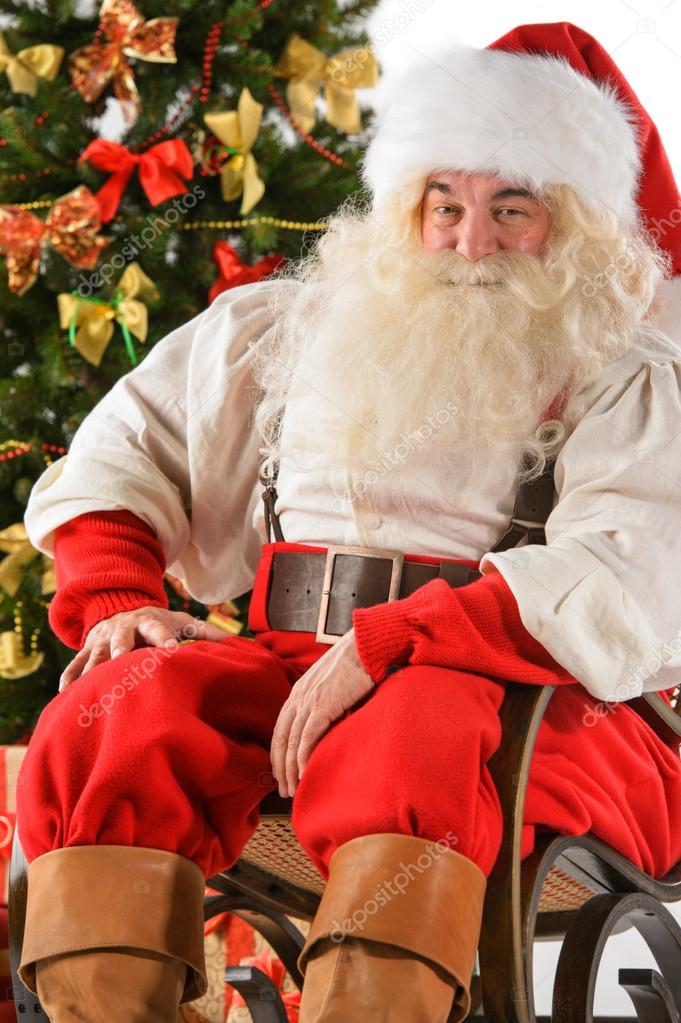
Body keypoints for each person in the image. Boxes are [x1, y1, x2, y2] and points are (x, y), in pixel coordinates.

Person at [14, 19, 681, 1023]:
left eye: (512, 210)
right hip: (289, 673)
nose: (469, 241)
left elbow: (632, 571)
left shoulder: (624, 374)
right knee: (120, 715)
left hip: (534, 701)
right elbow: (126, 454)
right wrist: (117, 597)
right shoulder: (283, 329)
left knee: (420, 725)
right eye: (444, 204)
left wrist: (398, 642)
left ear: (574, 223)